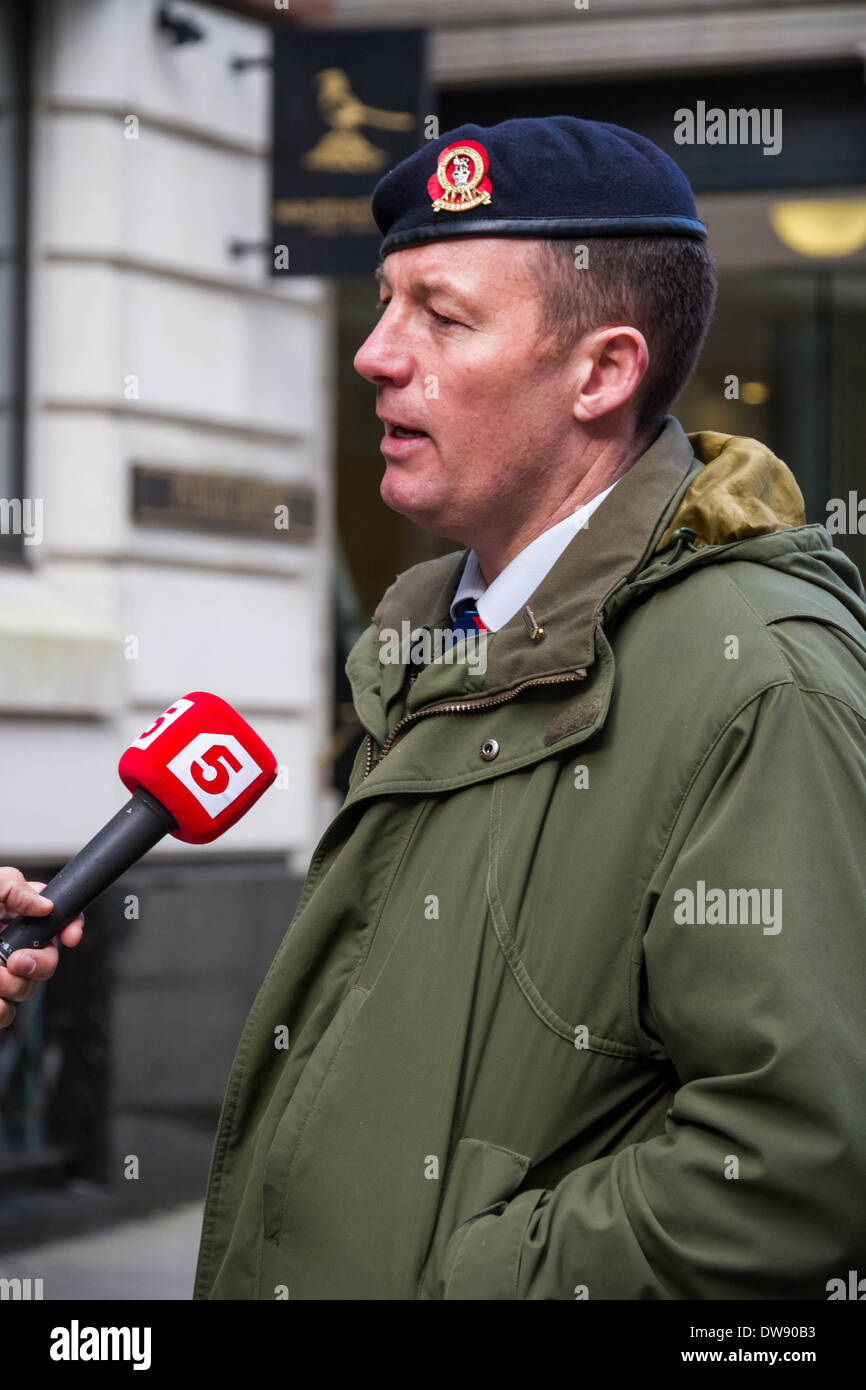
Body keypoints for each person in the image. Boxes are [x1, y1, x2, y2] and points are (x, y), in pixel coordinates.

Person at [8, 117, 866, 1300]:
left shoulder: (760, 680)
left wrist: (454, 1282)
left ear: (601, 373)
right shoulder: (428, 642)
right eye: (384, 304)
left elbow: (786, 1164)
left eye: (441, 316)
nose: (372, 354)